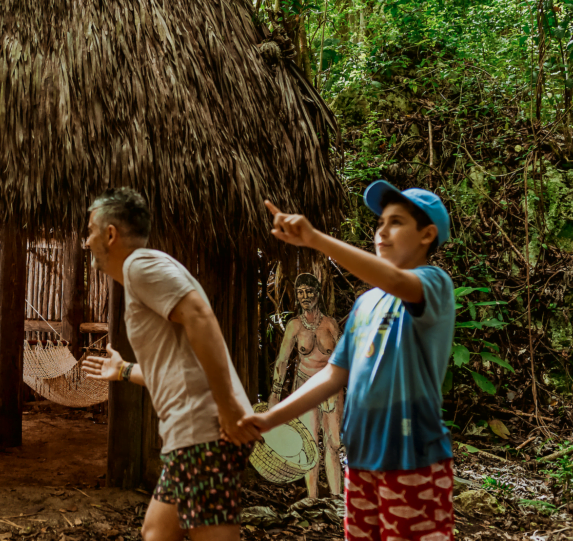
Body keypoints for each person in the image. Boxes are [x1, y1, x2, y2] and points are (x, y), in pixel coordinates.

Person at [240, 181, 455, 541]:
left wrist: (315, 239)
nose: (382, 230)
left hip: (412, 456)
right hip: (362, 458)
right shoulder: (366, 304)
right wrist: (269, 419)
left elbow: (394, 279)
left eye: (396, 222)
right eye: (380, 222)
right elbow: (331, 377)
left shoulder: (434, 284)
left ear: (427, 235)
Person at [80, 188, 260, 541]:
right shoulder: (147, 271)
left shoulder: (139, 265)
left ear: (110, 234)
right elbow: (177, 370)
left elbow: (199, 315)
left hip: (204, 432)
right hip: (196, 432)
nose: (86, 241)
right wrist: (124, 370)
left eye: (90, 231)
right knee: (156, 533)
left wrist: (226, 408)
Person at [268, 272, 343, 499]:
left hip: (330, 387)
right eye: (300, 293)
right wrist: (275, 393)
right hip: (305, 386)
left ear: (318, 294)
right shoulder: (294, 326)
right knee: (309, 445)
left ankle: (336, 497)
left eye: (309, 291)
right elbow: (282, 360)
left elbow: (344, 359)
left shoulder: (330, 325)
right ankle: (312, 499)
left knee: (334, 443)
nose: (305, 296)